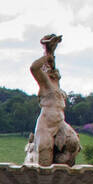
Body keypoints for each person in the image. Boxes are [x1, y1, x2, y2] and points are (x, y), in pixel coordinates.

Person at [25, 34, 81, 167]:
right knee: (44, 163)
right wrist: (47, 56)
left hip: (60, 123)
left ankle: (62, 174)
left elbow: (52, 65)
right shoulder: (45, 83)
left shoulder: (57, 85)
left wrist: (50, 51)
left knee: (73, 143)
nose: (54, 69)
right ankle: (33, 156)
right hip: (46, 126)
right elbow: (34, 68)